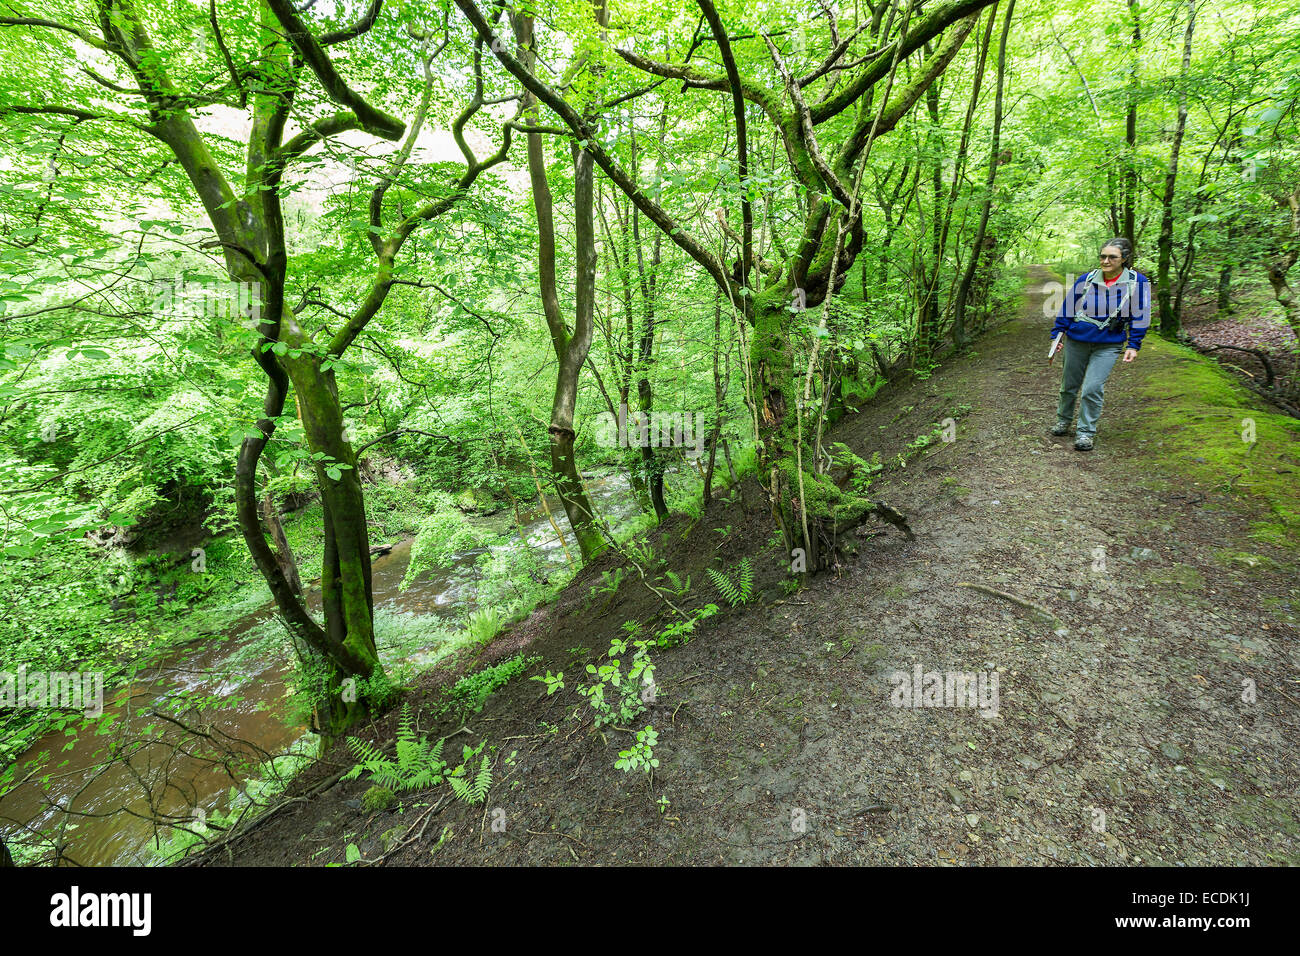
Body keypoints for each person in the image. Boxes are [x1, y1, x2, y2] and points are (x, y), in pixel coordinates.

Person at [1047, 238, 1151, 450]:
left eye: (1112, 257)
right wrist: (1058, 334)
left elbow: (1140, 315)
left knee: (1092, 388)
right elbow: (1068, 308)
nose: (1106, 261)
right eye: (1103, 256)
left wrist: (1134, 345)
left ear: (1124, 259)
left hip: (1108, 344)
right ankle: (1063, 420)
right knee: (1068, 386)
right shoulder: (1086, 279)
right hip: (1077, 340)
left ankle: (1085, 432)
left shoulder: (1137, 282)